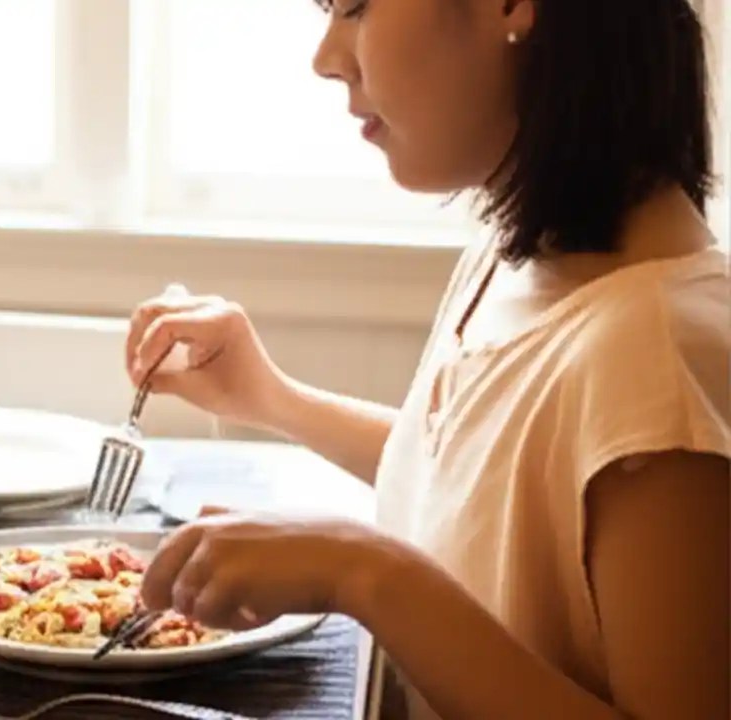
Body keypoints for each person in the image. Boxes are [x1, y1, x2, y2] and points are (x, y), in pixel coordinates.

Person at [124, 0, 730, 718]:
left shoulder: (660, 360)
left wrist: (360, 569)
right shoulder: (519, 259)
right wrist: (269, 398)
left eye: (354, 7)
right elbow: (480, 486)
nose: (325, 57)